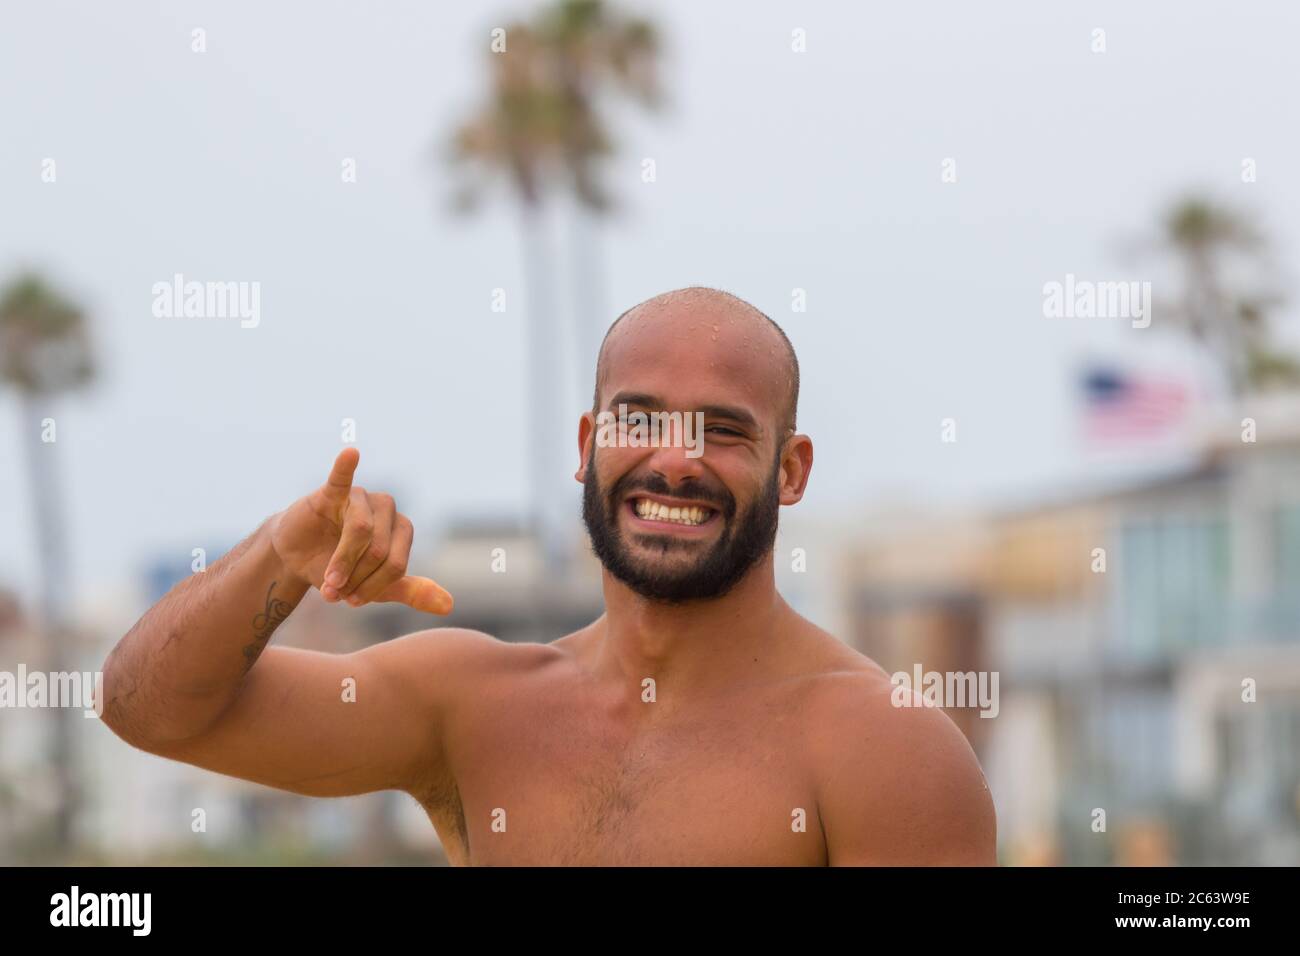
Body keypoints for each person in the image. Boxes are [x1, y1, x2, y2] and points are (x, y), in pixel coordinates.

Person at [100, 287, 996, 865]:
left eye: (722, 430)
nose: (674, 461)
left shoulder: (882, 749)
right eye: (637, 420)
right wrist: (276, 555)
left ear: (791, 470)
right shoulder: (472, 705)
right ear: (587, 446)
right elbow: (145, 708)